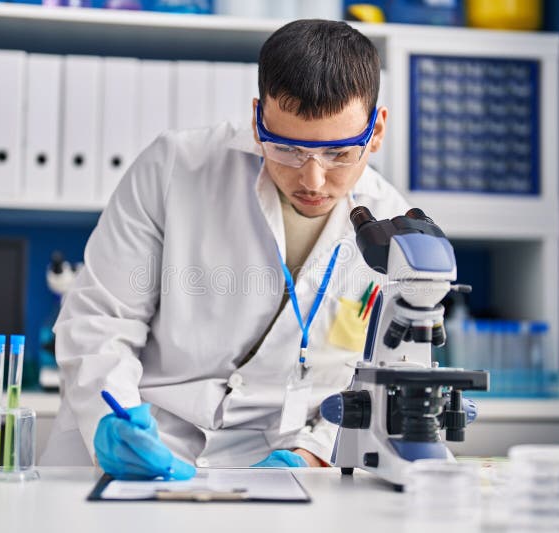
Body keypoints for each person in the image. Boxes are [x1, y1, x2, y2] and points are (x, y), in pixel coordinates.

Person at [40, 19, 412, 477]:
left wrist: (312, 453)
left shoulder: (398, 232)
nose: (313, 180)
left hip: (279, 463)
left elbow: (382, 383)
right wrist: (112, 422)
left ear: (376, 131)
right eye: (288, 149)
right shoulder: (175, 168)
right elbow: (100, 320)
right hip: (146, 439)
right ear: (258, 120)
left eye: (339, 153)